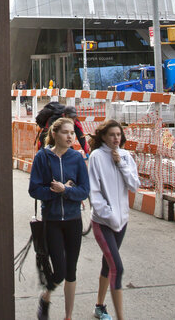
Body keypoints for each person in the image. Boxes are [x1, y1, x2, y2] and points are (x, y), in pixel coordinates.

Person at [28, 117, 90, 320]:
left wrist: (66, 191)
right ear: (54, 134)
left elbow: (84, 191)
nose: (70, 136)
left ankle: (68, 316)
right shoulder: (42, 157)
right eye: (65, 132)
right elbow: (34, 189)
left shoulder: (77, 158)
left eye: (72, 132)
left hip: (73, 220)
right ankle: (45, 298)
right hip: (52, 221)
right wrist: (55, 192)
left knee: (71, 271)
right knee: (60, 271)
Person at [87, 119, 140, 320]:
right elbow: (94, 191)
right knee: (117, 266)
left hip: (122, 221)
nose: (116, 138)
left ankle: (99, 306)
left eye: (118, 135)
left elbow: (134, 185)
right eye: (111, 135)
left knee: (107, 264)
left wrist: (121, 164)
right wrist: (107, 213)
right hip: (103, 222)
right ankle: (120, 317)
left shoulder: (126, 156)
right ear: (103, 136)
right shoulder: (96, 157)